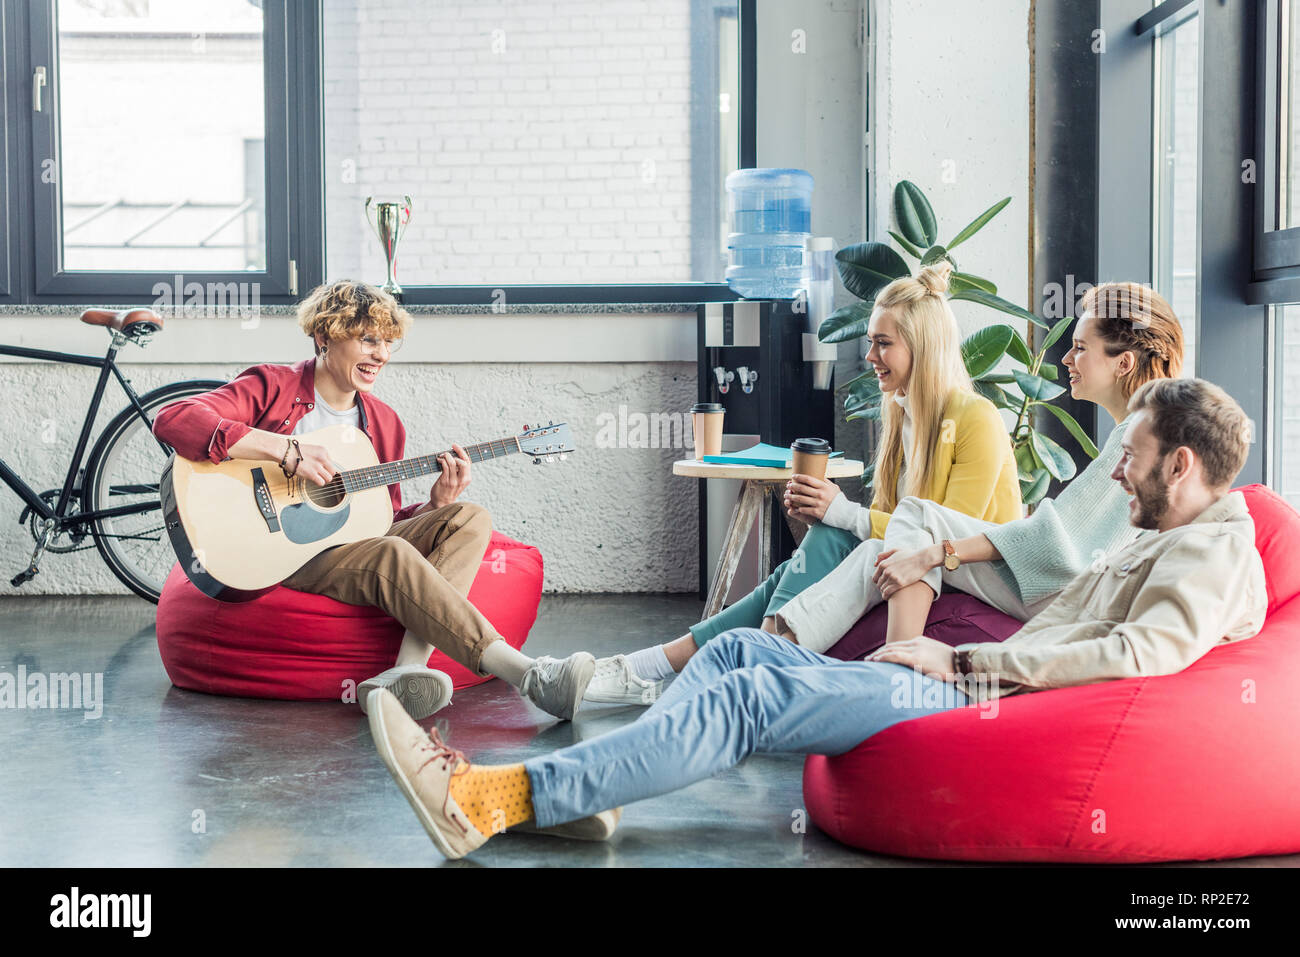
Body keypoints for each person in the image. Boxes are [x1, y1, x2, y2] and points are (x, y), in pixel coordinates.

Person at [366, 376, 1267, 860]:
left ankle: (493, 799)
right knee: (737, 655)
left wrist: (965, 667)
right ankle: (590, 789)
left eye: (1134, 458)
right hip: (969, 684)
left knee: (745, 702)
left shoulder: (1210, 552)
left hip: (985, 703)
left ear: (1180, 465)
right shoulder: (1175, 526)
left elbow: (1138, 656)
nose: (1118, 473)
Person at [151, 279, 595, 722]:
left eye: (387, 342)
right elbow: (174, 419)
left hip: (348, 549)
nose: (380, 354)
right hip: (280, 554)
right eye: (367, 339)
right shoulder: (273, 385)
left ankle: (408, 670)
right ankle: (532, 676)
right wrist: (286, 450)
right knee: (391, 553)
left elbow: (374, 521)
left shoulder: (383, 423)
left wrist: (434, 507)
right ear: (325, 335)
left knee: (469, 518)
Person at [586, 260, 1022, 704]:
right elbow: (899, 525)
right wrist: (833, 514)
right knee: (809, 555)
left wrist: (843, 512)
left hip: (974, 574)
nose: (870, 357)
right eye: (871, 342)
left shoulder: (975, 418)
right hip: (920, 566)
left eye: (883, 344)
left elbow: (948, 533)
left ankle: (702, 661)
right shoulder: (902, 415)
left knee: (838, 534)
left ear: (922, 348)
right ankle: (661, 664)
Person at [772, 281, 1186, 655]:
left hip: (1063, 592)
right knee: (880, 552)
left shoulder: (1141, 432)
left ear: (1124, 363)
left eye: (1080, 347)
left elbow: (1061, 539)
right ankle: (783, 640)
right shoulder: (1146, 426)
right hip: (1065, 588)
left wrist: (940, 553)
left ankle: (890, 665)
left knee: (918, 517)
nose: (1066, 358)